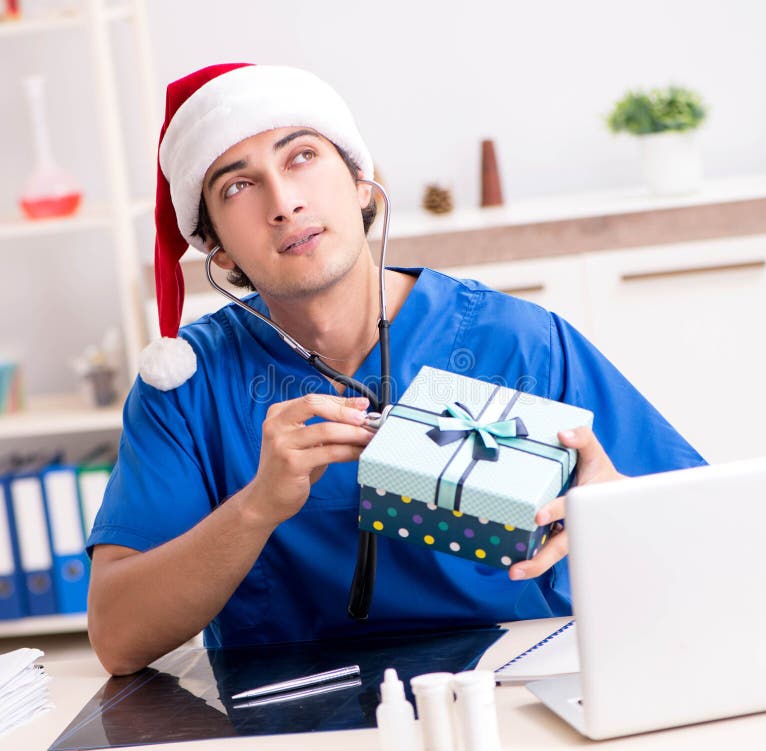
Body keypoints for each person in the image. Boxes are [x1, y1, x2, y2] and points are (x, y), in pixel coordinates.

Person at [86, 63, 705, 676]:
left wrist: (616, 512)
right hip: (290, 722)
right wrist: (257, 507)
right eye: (237, 187)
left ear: (361, 183)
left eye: (301, 157)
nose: (284, 202)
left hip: (512, 697)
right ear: (216, 247)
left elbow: (704, 531)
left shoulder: (518, 342)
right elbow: (118, 639)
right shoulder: (186, 388)